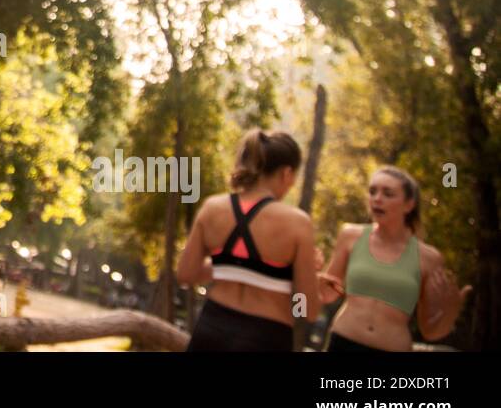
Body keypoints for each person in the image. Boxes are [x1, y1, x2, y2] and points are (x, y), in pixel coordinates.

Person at [177, 129, 320, 351]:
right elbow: (305, 310)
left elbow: (186, 274)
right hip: (266, 338)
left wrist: (230, 264)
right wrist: (307, 277)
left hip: (211, 328)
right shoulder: (297, 223)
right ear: (287, 174)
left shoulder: (212, 208)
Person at [318, 166, 471, 351]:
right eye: (372, 191)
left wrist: (450, 312)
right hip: (343, 342)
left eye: (388, 194)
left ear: (409, 204)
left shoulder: (429, 258)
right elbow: (327, 294)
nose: (377, 199)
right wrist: (314, 278)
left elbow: (430, 332)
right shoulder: (350, 235)